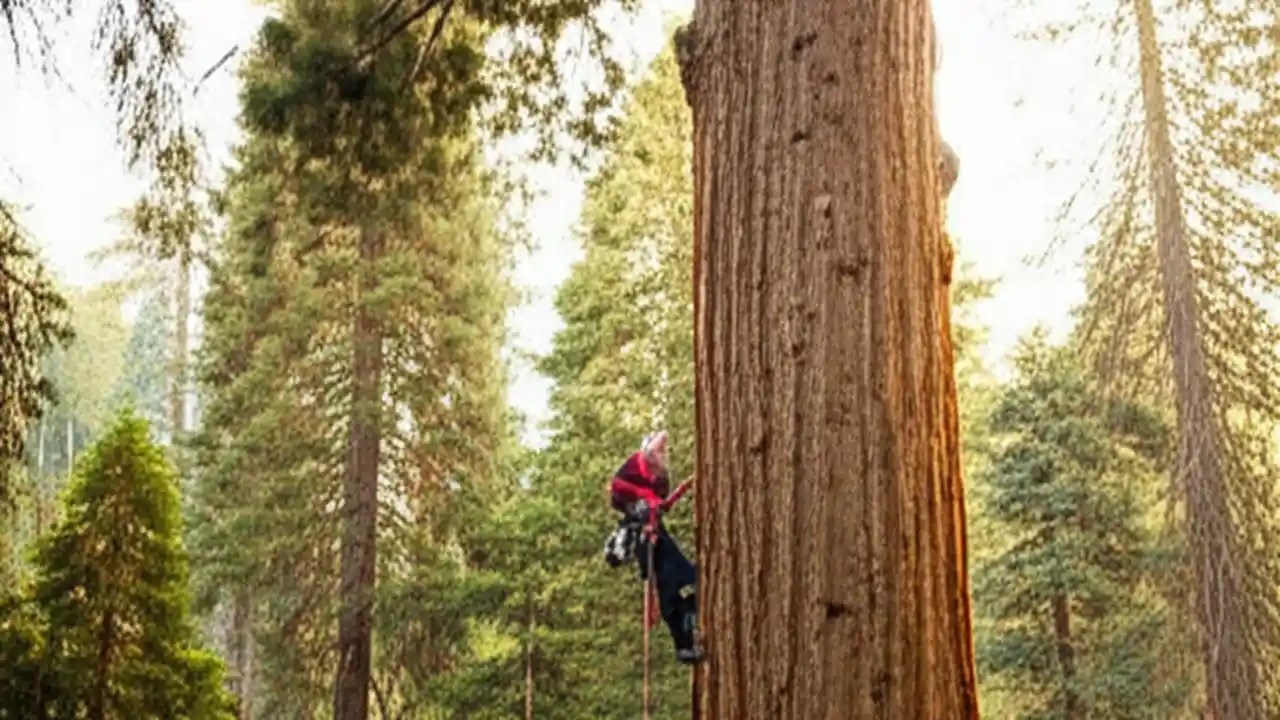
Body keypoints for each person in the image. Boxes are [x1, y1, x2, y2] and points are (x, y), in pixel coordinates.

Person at [608, 431, 704, 665]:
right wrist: (650, 598)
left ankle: (688, 628)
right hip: (652, 545)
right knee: (674, 592)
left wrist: (687, 486)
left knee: (688, 584)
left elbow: (664, 505)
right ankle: (685, 641)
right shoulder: (634, 495)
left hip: (659, 542)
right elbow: (647, 566)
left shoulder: (652, 492)